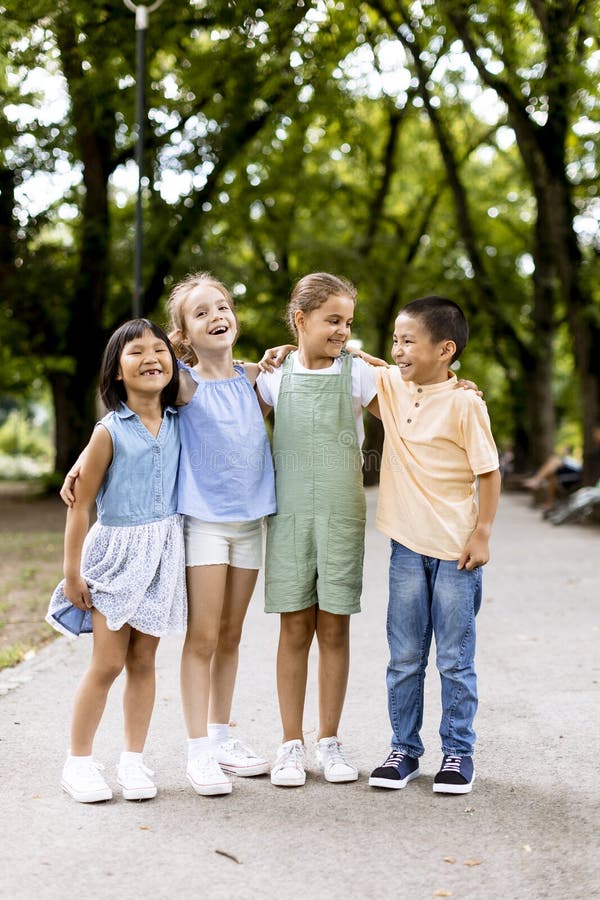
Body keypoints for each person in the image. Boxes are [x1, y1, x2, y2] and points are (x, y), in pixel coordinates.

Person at [47, 319, 187, 804]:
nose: (151, 358)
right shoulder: (108, 431)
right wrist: (72, 571)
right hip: (116, 557)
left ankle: (132, 760)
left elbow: (205, 369)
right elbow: (80, 504)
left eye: (160, 350)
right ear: (117, 371)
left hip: (162, 554)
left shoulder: (180, 420)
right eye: (136, 353)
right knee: (107, 662)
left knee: (145, 660)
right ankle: (79, 761)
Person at [367, 296, 501, 795]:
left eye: (409, 341)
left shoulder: (466, 403)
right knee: (403, 657)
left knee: (454, 659)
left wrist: (482, 532)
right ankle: (403, 750)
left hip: (456, 553)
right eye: (395, 341)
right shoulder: (389, 386)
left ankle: (457, 753)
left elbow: (489, 472)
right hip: (406, 548)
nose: (398, 350)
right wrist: (272, 355)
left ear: (445, 349)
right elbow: (336, 355)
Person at [256, 272, 380, 787]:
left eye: (348, 322)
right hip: (287, 516)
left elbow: (414, 406)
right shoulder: (270, 379)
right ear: (300, 320)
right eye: (332, 320)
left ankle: (329, 741)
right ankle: (290, 744)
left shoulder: (359, 375)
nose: (341, 331)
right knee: (293, 627)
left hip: (340, 512)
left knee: (334, 627)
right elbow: (214, 408)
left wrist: (453, 385)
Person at [165, 272, 279, 796]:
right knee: (204, 637)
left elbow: (335, 362)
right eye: (202, 312)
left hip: (249, 525)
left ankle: (221, 736)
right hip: (204, 525)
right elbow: (127, 398)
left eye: (223, 306)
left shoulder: (257, 378)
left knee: (232, 637)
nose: (217, 316)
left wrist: (450, 377)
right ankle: (198, 752)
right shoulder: (182, 384)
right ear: (184, 334)